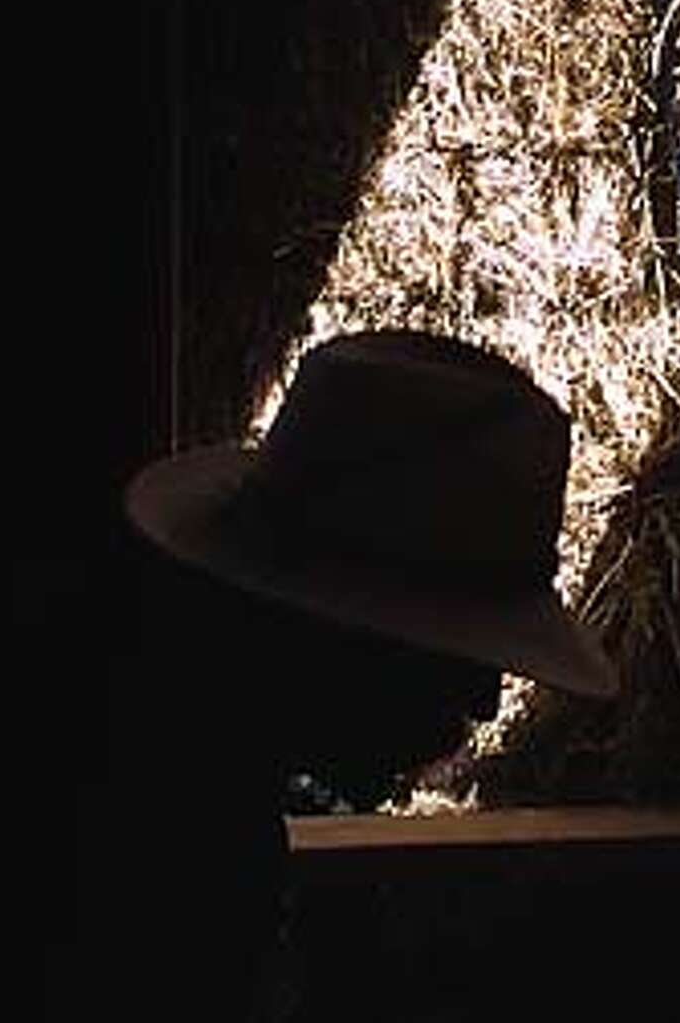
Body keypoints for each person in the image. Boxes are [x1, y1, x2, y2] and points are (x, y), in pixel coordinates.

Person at [62, 330, 617, 1021]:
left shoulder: (191, 781)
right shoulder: (148, 863)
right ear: (337, 624)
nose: (485, 700)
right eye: (450, 655)